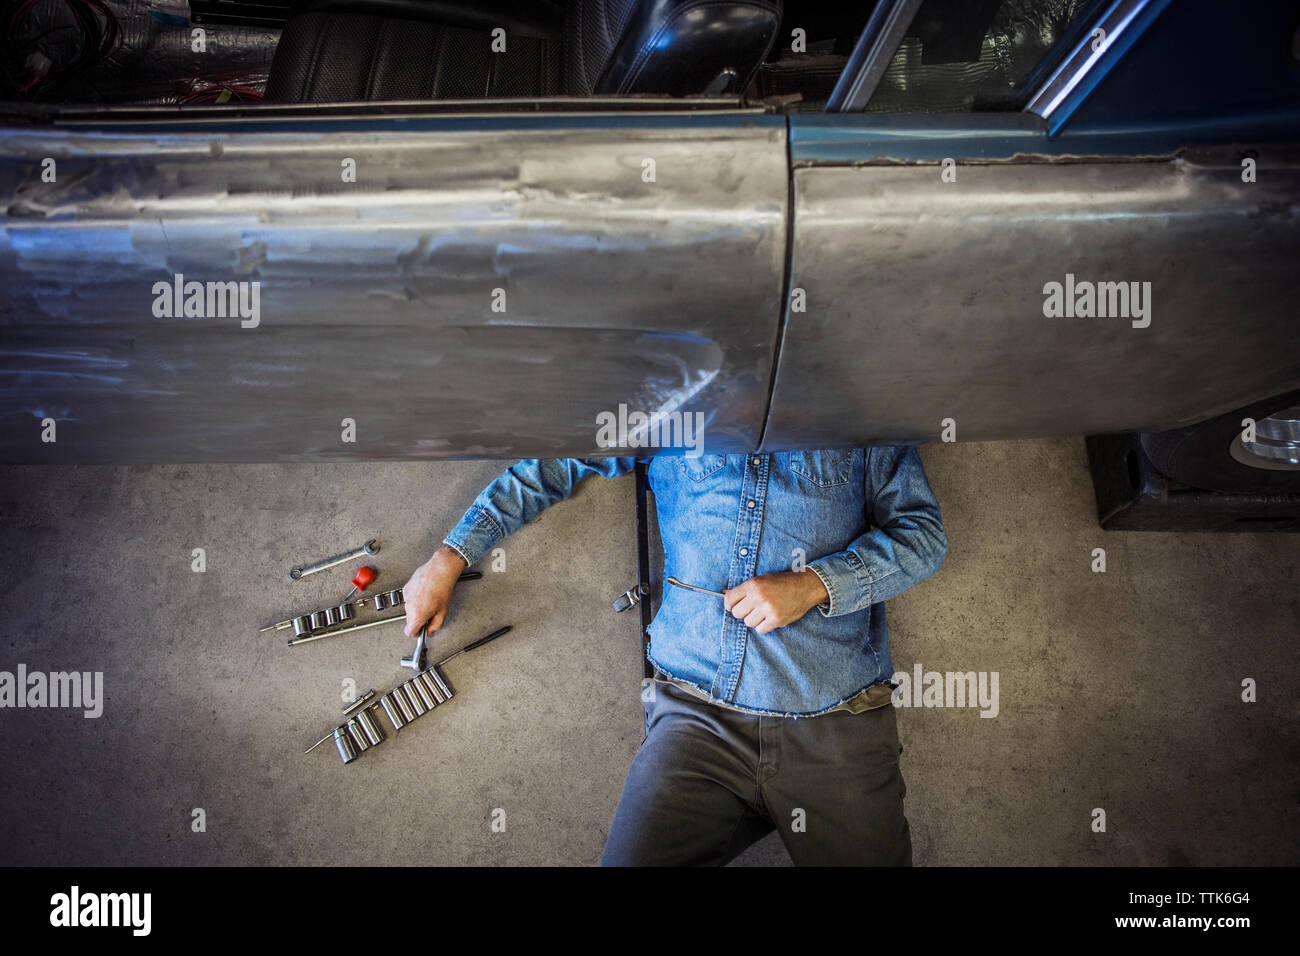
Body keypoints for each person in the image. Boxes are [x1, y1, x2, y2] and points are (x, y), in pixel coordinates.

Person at [401, 449, 947, 865]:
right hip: (696, 726)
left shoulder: (856, 415)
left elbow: (923, 537)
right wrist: (448, 559)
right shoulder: (669, 408)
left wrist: (811, 584)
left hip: (837, 727)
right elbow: (551, 466)